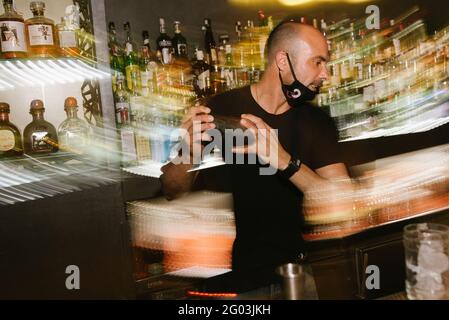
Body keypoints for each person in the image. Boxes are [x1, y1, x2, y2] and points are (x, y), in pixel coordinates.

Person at [160, 20, 350, 275]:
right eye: (318, 62)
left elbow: (340, 204)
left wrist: (284, 161)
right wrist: (189, 152)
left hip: (301, 272)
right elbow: (173, 190)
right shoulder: (220, 111)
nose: (325, 74)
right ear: (283, 61)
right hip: (234, 277)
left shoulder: (316, 122)